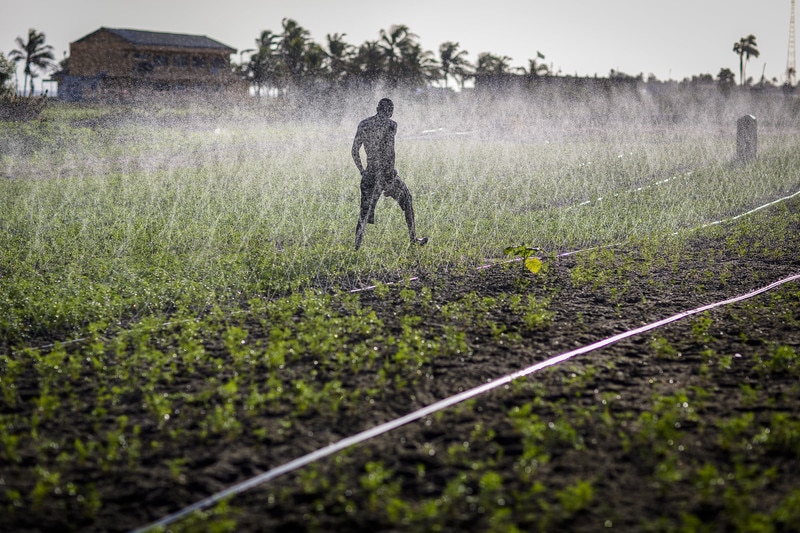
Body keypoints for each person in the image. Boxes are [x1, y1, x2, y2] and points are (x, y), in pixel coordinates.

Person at [351, 98, 428, 250]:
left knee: (364, 214)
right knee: (407, 201)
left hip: (370, 174)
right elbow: (389, 152)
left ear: (377, 108)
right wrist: (389, 177)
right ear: (390, 112)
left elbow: (354, 151)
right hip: (387, 175)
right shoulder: (391, 125)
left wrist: (362, 171)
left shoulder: (364, 124)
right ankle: (413, 238)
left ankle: (356, 247)